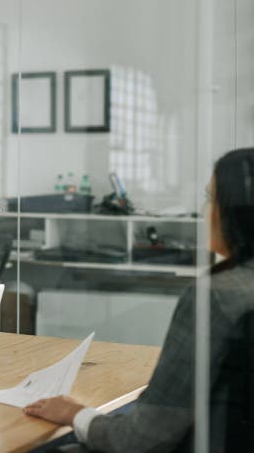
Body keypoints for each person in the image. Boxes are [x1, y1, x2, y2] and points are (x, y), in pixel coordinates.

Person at [24, 147, 254, 451]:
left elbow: (140, 439)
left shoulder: (218, 297)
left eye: (211, 198)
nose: (204, 210)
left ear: (236, 213)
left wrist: (75, 413)